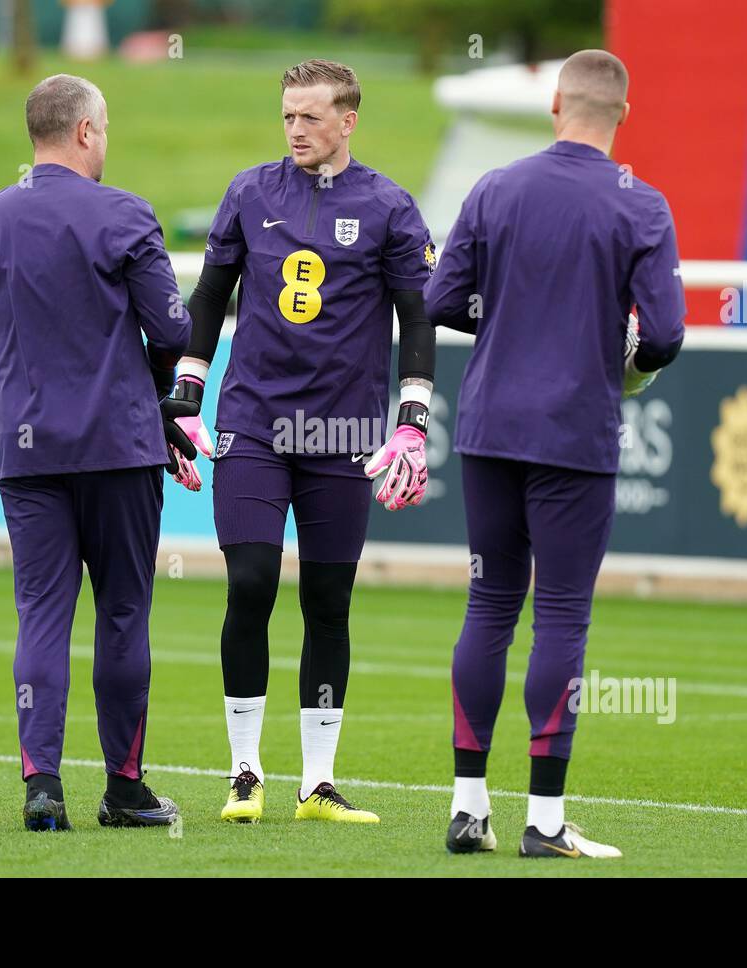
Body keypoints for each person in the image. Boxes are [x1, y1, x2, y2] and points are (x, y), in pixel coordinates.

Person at [424, 49, 686, 858]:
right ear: (621, 116)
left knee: (489, 606)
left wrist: (503, 326)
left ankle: (469, 809)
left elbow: (437, 301)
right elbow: (668, 333)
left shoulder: (496, 187)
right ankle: (543, 821)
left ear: (556, 105)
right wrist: (628, 364)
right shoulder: (639, 203)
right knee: (562, 614)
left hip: (491, 426)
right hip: (574, 430)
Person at [170, 59, 438, 824]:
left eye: (311, 117)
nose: (295, 129)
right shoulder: (250, 192)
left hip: (343, 430)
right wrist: (187, 398)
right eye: (287, 115)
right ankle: (244, 771)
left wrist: (412, 421)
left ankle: (316, 782)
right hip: (253, 420)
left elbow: (417, 318)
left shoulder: (389, 205)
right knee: (250, 582)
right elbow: (209, 299)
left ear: (348, 120)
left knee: (328, 601)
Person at [0, 73, 198, 832]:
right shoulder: (123, 213)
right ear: (87, 131)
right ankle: (124, 790)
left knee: (41, 617)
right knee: (123, 615)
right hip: (119, 447)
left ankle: (41, 786)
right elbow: (175, 332)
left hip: (26, 454)